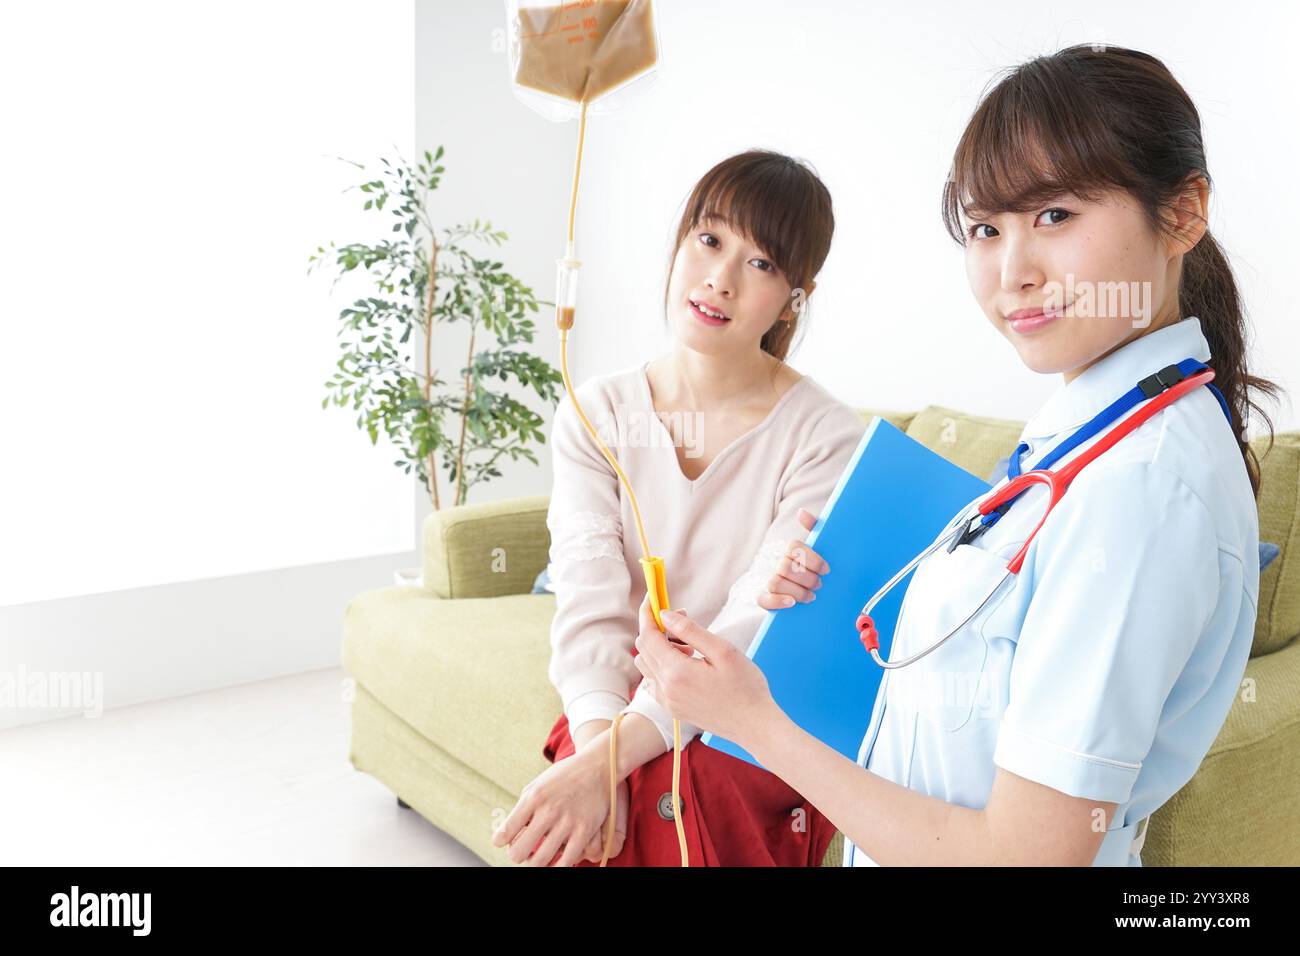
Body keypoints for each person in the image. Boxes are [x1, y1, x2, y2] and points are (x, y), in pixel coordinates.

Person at [627, 44, 1279, 866]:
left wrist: (748, 719)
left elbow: (1026, 857)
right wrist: (833, 593)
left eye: (1055, 216)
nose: (1014, 272)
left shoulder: (1141, 488)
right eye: (985, 228)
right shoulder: (1081, 436)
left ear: (1182, 213)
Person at [491, 149, 866, 866]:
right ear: (680, 243)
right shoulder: (595, 412)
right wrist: (600, 755)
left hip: (749, 708)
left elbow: (757, 616)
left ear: (796, 294)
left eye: (761, 264)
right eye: (711, 239)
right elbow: (588, 596)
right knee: (590, 818)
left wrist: (609, 764)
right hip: (616, 699)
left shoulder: (826, 436)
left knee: (690, 790)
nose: (720, 279)